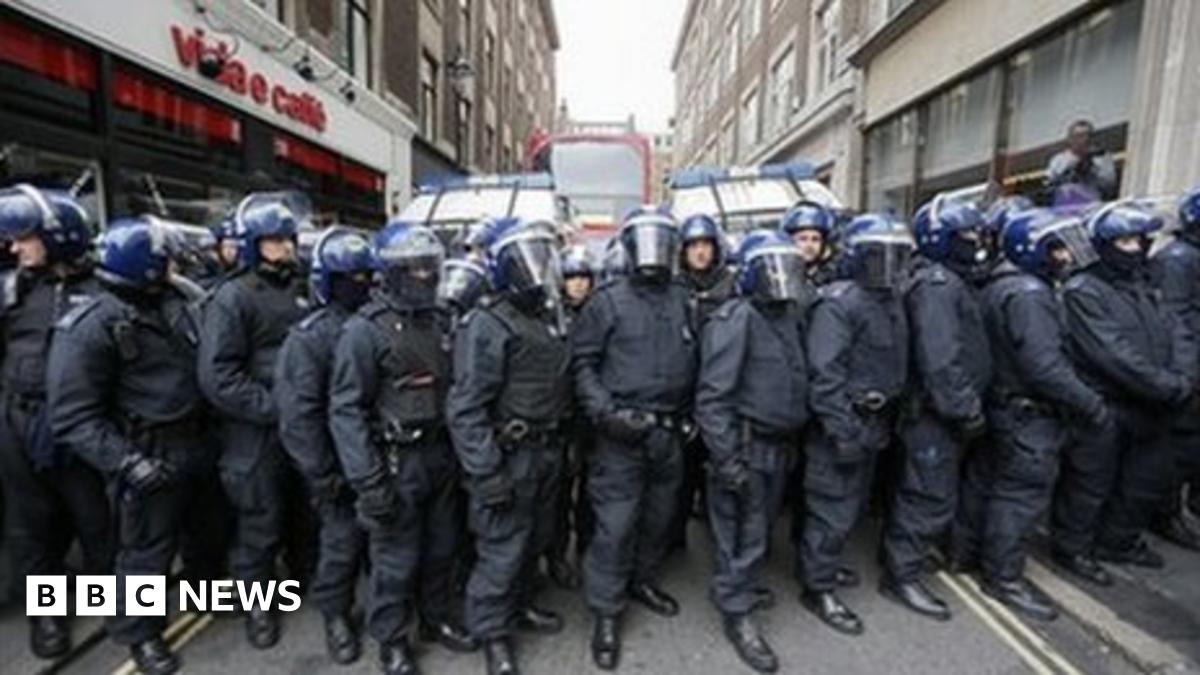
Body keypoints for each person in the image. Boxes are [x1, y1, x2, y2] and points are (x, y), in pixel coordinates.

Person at [46, 218, 213, 674]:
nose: (175, 268)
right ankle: (141, 635)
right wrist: (127, 462)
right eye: (167, 262)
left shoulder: (170, 301)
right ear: (146, 267)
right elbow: (73, 416)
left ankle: (205, 594)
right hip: (148, 450)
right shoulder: (90, 326)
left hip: (196, 438)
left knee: (204, 529)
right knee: (145, 552)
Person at [330, 220, 476, 675]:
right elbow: (346, 411)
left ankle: (435, 620)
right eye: (413, 270)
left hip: (440, 453)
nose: (424, 278)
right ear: (391, 273)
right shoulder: (365, 331)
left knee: (441, 547)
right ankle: (391, 639)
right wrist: (368, 481)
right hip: (395, 459)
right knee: (394, 556)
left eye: (429, 268)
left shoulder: (442, 320)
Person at [952, 209, 1108, 621]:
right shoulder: (1029, 294)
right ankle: (1003, 578)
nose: (1065, 257)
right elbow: (1045, 368)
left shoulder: (1000, 284)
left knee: (984, 484)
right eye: (1055, 249)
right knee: (1017, 499)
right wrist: (1090, 404)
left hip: (999, 405)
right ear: (1031, 249)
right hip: (1027, 415)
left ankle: (962, 554)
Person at [572, 206, 698, 670]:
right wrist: (605, 414)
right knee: (616, 525)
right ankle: (606, 610)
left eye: (663, 240)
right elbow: (582, 364)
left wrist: (690, 414)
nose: (654, 250)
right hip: (621, 431)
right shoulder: (607, 300)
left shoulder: (682, 298)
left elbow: (697, 358)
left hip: (668, 432)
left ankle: (642, 580)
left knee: (659, 517)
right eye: (645, 239)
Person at [447, 217, 572, 675]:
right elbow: (465, 408)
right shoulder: (488, 323)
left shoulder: (543, 316)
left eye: (544, 257)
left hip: (544, 451)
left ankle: (519, 608)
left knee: (532, 541)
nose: (538, 269)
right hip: (508, 455)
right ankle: (493, 635)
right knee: (501, 548)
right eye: (527, 260)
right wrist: (486, 472)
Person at [1052, 202, 1196, 583]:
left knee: (1139, 483)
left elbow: (1178, 332)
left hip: (1153, 405)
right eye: (1127, 241)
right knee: (1090, 485)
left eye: (1140, 240)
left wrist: (1183, 376)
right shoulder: (1083, 290)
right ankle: (1073, 550)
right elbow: (1113, 354)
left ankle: (1117, 543)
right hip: (1109, 404)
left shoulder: (1145, 283)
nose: (1137, 248)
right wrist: (1169, 386)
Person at [0, 184, 111, 659]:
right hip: (20, 419)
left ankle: (117, 604)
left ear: (57, 235)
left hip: (82, 421)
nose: (14, 247)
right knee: (31, 523)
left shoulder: (101, 289)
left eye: (24, 237)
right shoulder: (9, 289)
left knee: (97, 518)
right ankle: (48, 612)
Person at [198, 192, 313, 648]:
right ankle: (259, 606)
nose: (285, 249)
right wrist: (274, 408)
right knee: (259, 522)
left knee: (304, 509)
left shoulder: (300, 286)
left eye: (288, 239)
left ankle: (303, 577)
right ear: (250, 245)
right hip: (254, 432)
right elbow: (218, 376)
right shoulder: (232, 297)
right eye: (273, 242)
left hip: (300, 425)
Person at [697, 230, 809, 673]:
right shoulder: (736, 318)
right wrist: (727, 458)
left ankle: (738, 586)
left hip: (777, 445)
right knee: (744, 532)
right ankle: (738, 612)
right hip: (745, 445)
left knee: (755, 530)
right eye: (773, 270)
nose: (783, 280)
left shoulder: (785, 315)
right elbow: (713, 396)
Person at [798, 214, 912, 637]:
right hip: (845, 423)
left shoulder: (889, 299)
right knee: (831, 510)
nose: (893, 264)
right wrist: (841, 429)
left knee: (849, 508)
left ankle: (820, 567)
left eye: (899, 254)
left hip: (875, 423)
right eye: (883, 255)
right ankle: (818, 586)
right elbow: (824, 376)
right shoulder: (839, 303)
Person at [881, 198, 993, 622]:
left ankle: (903, 559)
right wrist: (965, 410)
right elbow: (940, 360)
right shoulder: (937, 287)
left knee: (921, 491)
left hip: (935, 411)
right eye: (965, 236)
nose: (975, 243)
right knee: (926, 496)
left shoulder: (942, 280)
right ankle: (901, 575)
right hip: (933, 414)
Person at [275, 227, 375, 665]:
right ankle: (335, 614)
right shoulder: (310, 337)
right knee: (341, 542)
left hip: (377, 452)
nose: (361, 285)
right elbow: (300, 416)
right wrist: (321, 471)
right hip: (336, 461)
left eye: (365, 276)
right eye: (350, 278)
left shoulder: (375, 323)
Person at [673, 214, 737, 552]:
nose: (700, 253)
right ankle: (675, 537)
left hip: (720, 388)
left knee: (718, 465)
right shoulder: (674, 287)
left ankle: (717, 533)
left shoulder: (731, 286)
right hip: (683, 390)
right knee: (679, 474)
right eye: (693, 246)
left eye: (706, 245)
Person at [1149, 188, 1200, 550]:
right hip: (1186, 368)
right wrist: (1186, 375)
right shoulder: (1179, 260)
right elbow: (1176, 319)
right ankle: (1164, 512)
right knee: (1177, 447)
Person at [543, 243, 596, 590]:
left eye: (583, 277)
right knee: (558, 495)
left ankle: (587, 553)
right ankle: (556, 556)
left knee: (591, 494)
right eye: (571, 277)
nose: (578, 284)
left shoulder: (601, 312)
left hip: (591, 417)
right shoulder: (549, 316)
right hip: (560, 418)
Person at [1046, 120, 1118, 204]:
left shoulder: (1102, 157)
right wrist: (1072, 168)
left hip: (1092, 207)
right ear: (1070, 139)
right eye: (1079, 136)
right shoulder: (1058, 160)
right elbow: (1049, 185)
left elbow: (1109, 185)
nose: (1085, 139)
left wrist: (1092, 169)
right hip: (1064, 208)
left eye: (1088, 135)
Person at [780, 200, 838, 287]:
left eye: (815, 239)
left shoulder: (835, 273)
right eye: (803, 239)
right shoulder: (780, 274)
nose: (809, 245)